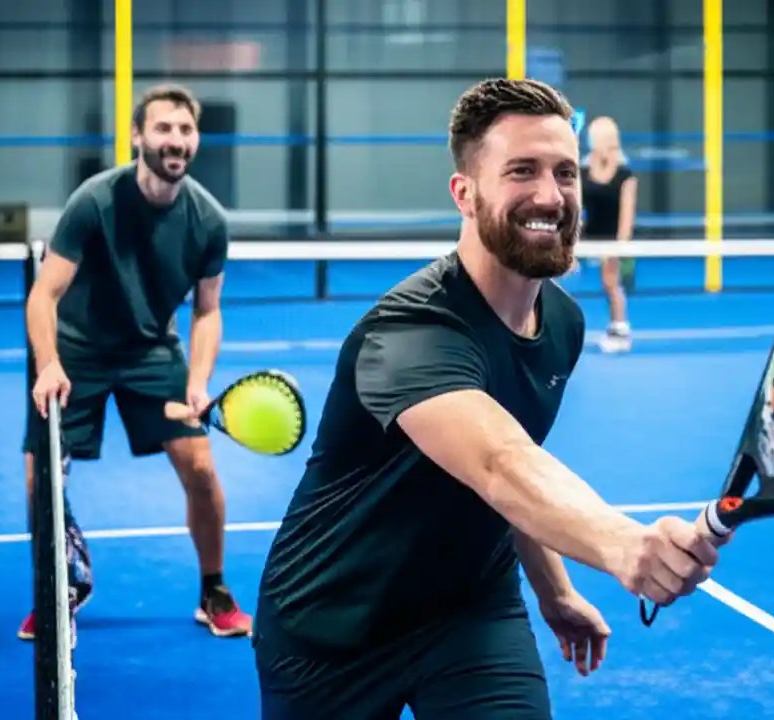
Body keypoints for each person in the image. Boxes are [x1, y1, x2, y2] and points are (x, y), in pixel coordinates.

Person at [251, 78, 720, 719]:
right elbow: (497, 465)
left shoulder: (562, 322)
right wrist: (623, 547)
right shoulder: (410, 332)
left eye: (565, 172)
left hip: (470, 612)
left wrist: (553, 592)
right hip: (333, 626)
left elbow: (518, 465)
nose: (551, 195)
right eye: (521, 171)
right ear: (464, 194)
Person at [20, 83, 252, 640]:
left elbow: (207, 311)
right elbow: (43, 296)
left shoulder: (208, 219)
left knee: (200, 468)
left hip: (152, 351)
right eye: (164, 129)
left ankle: (214, 589)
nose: (176, 141)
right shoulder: (94, 202)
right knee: (40, 480)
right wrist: (48, 363)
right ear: (137, 136)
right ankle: (60, 586)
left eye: (186, 130)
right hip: (77, 350)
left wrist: (197, 381)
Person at [581, 115, 639, 353]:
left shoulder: (626, 175)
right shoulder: (581, 170)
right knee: (551, 279)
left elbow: (627, 217)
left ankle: (620, 330)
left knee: (610, 283)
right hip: (585, 236)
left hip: (613, 238)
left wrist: (619, 249)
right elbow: (574, 209)